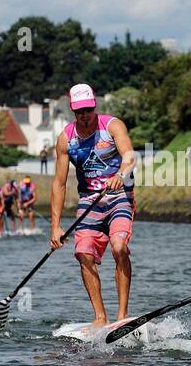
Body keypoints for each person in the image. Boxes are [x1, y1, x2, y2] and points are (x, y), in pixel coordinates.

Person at [50, 83, 136, 328]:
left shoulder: (112, 125)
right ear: (72, 110)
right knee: (83, 254)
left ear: (94, 105)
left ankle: (122, 316)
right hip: (89, 202)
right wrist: (55, 227)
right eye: (79, 111)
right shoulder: (66, 139)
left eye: (87, 109)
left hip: (120, 196)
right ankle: (100, 317)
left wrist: (121, 173)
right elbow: (59, 183)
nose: (84, 115)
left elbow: (129, 155)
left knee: (119, 247)